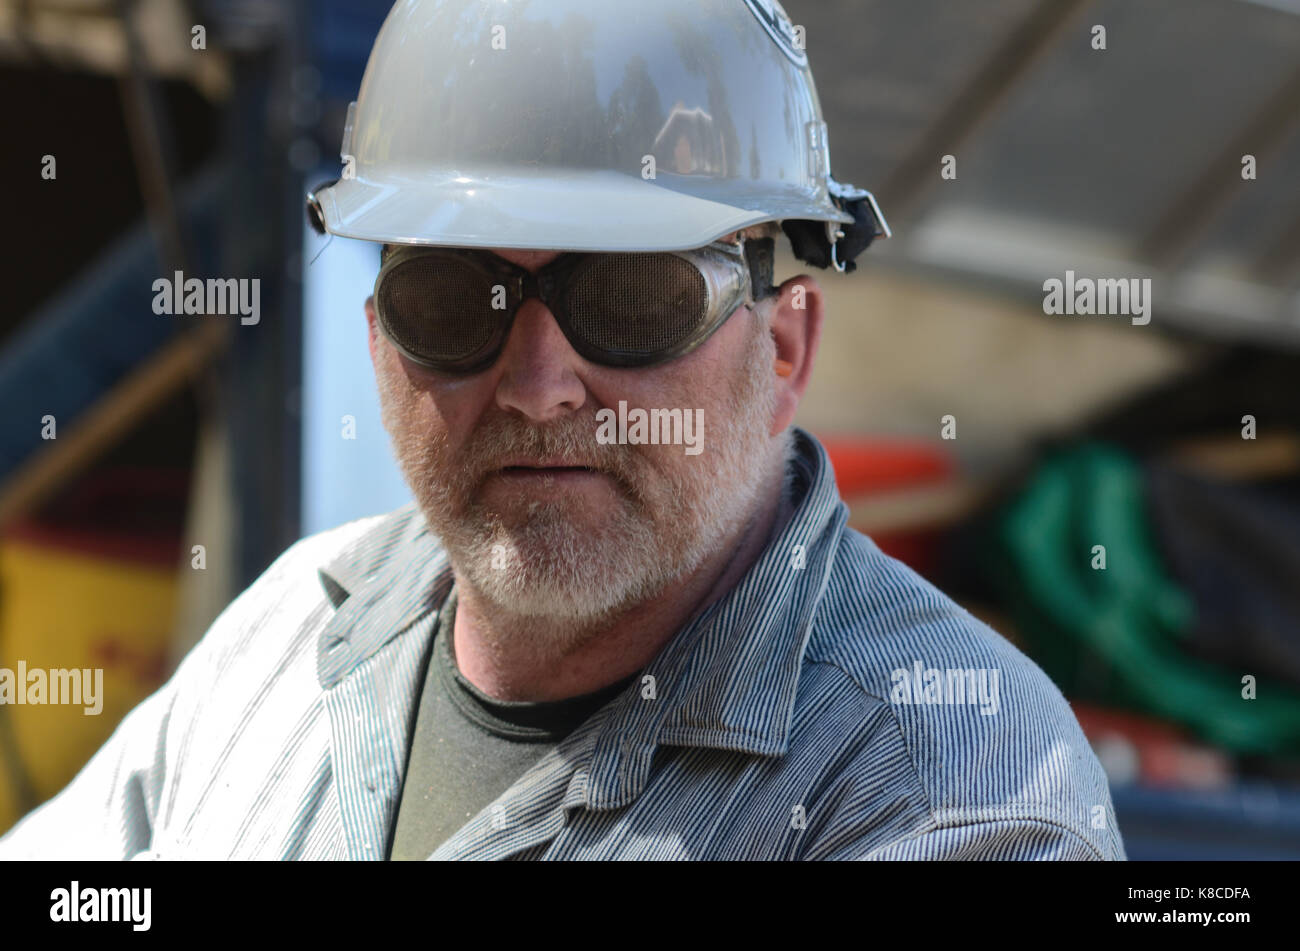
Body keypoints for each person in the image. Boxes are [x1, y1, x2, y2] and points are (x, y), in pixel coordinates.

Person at [0, 0, 1124, 860]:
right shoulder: (294, 629)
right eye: (452, 303)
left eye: (631, 305)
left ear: (782, 351)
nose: (538, 384)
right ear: (379, 341)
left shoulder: (945, 784)